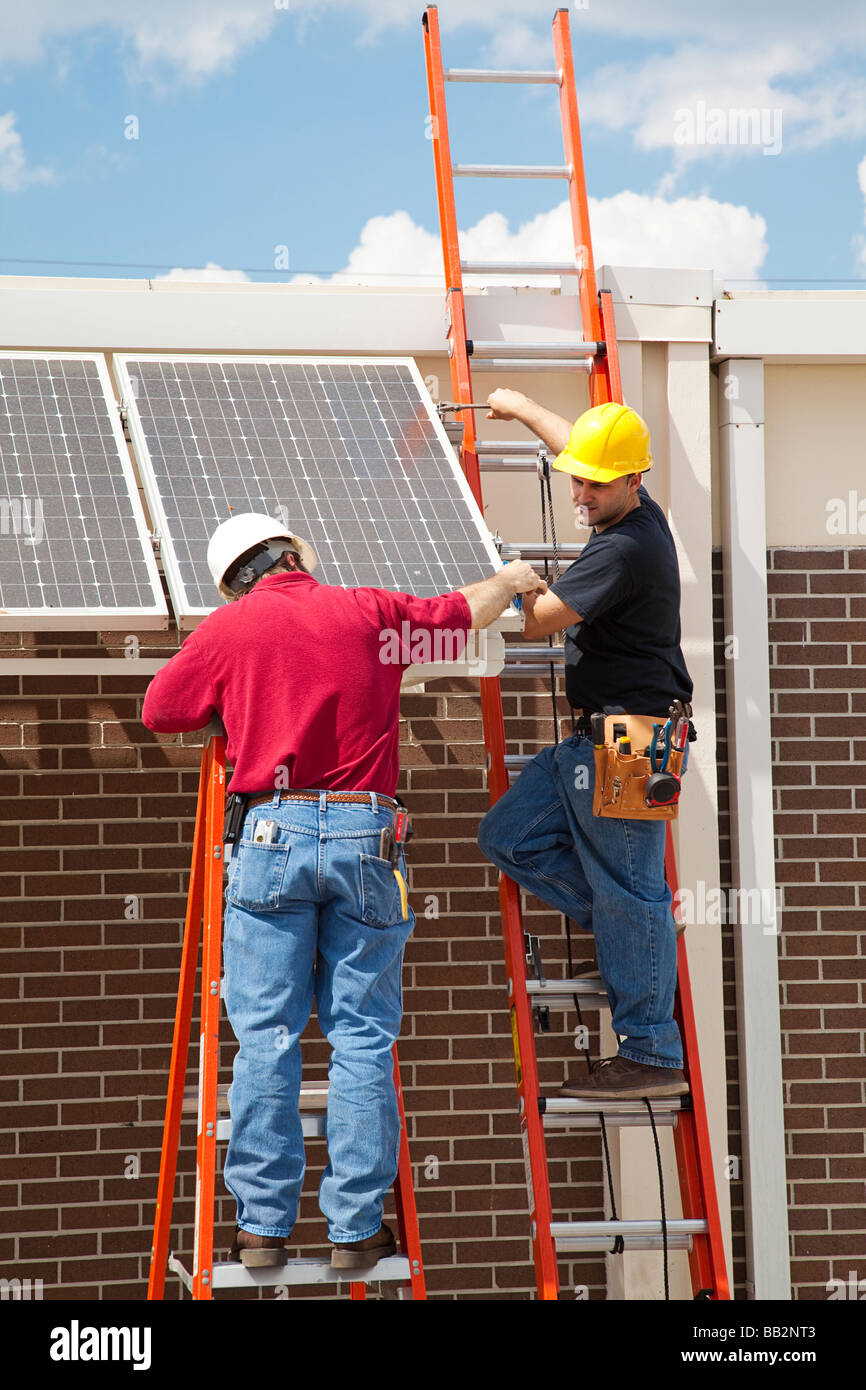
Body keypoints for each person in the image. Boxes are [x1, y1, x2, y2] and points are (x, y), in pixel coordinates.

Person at [141, 511, 545, 1269]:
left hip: (269, 837)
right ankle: (356, 1229)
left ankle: (261, 1228)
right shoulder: (367, 612)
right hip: (367, 835)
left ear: (234, 580)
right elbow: (458, 615)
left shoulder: (229, 631)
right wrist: (514, 579)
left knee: (266, 1039)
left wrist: (241, 696)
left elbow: (163, 710)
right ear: (292, 553)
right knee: (362, 1037)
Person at [477, 390, 694, 1101]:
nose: (581, 493)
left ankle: (652, 1052)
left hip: (635, 742)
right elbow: (579, 440)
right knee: (509, 835)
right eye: (577, 478)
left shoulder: (626, 548)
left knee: (632, 891)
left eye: (595, 483)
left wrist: (509, 582)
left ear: (632, 480)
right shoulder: (633, 500)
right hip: (599, 738)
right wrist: (520, 406)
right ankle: (635, 938)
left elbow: (540, 621)